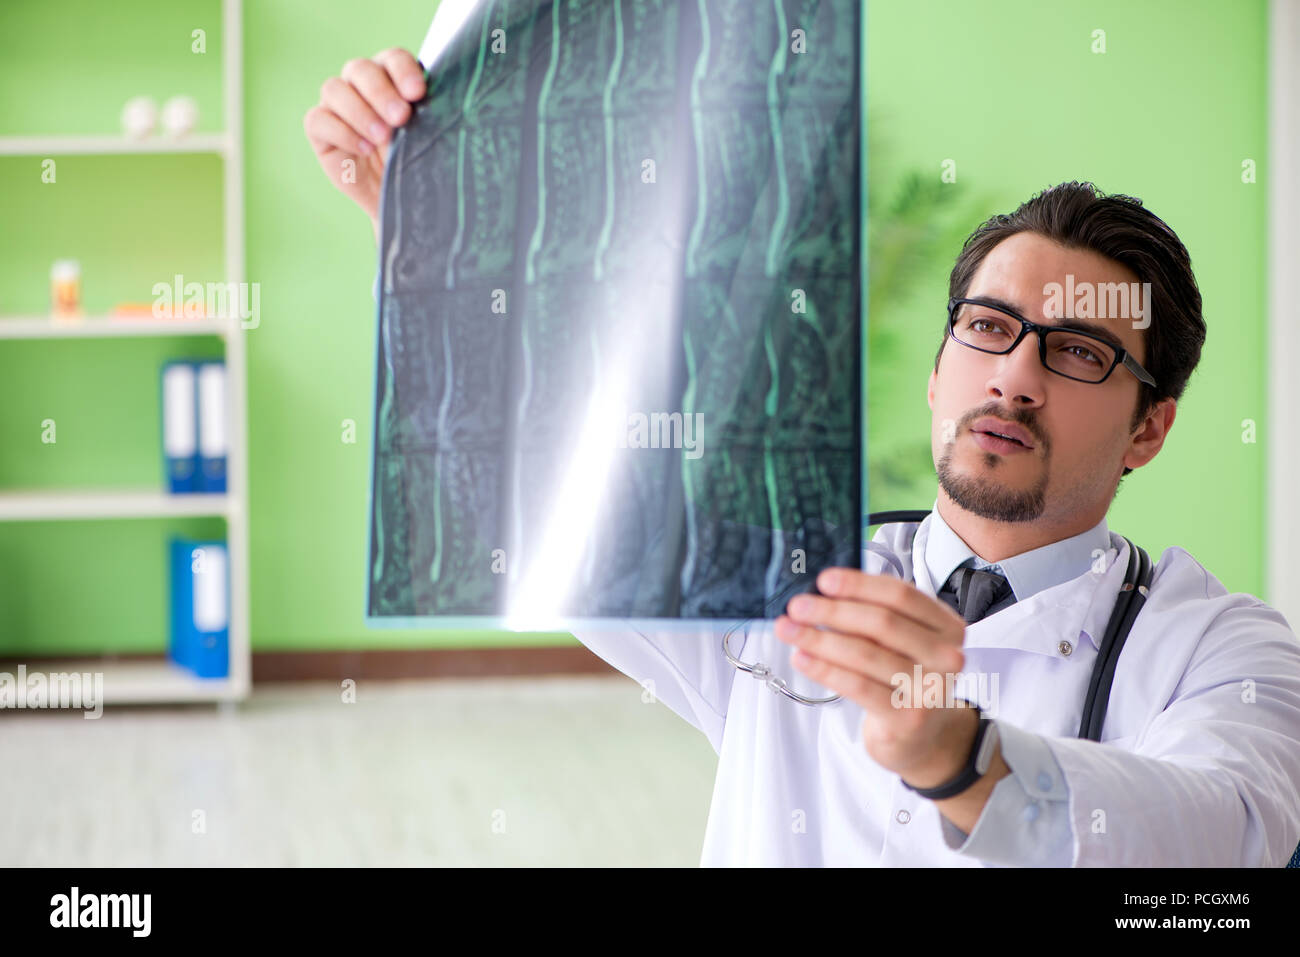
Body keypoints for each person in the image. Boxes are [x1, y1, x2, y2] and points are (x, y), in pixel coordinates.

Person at [304, 19, 1300, 867]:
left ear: (1150, 427)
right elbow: (563, 489)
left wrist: (968, 759)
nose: (1012, 375)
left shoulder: (1218, 645)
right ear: (939, 367)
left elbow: (1232, 841)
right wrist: (427, 229)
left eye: (1076, 350)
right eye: (988, 328)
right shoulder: (781, 574)